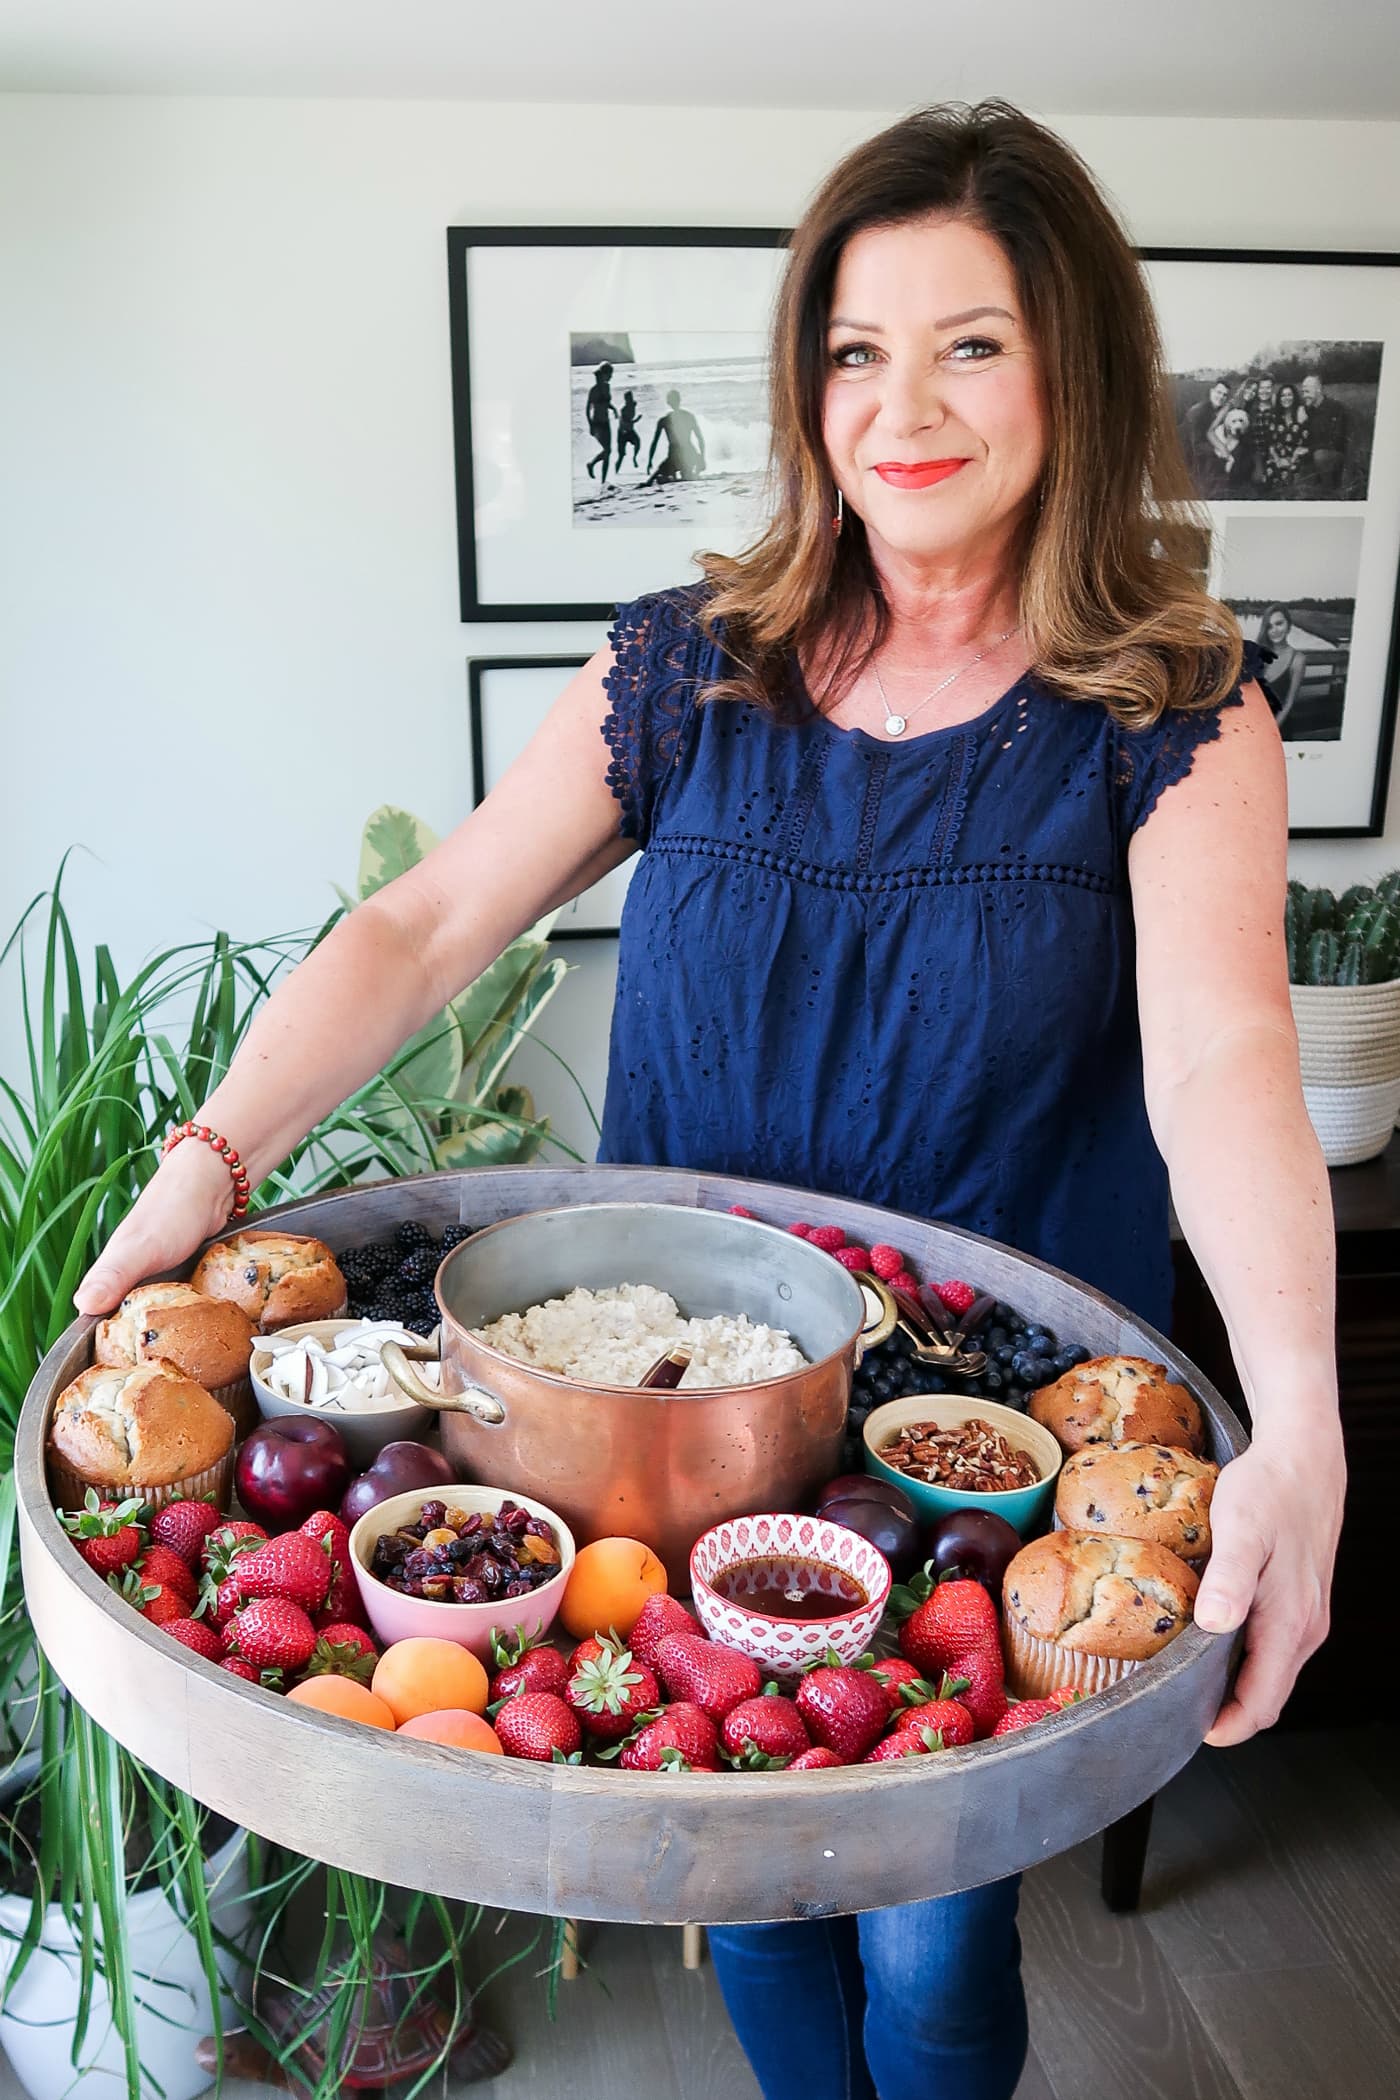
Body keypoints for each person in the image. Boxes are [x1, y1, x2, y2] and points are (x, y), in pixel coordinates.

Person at [76, 101, 1343, 2100]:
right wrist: (206, 1163)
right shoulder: (691, 670)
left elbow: (1221, 1056)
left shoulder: (1174, 705)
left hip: (969, 1440)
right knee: (748, 1884)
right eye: (854, 350)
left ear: (1071, 371)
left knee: (928, 1934)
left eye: (972, 342)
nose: (900, 404)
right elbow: (421, 929)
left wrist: (1306, 1419)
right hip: (670, 1415)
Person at [1253, 605, 1306, 729]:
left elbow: (1288, 703)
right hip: (1253, 722)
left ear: (1289, 625)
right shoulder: (1258, 653)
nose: (1274, 630)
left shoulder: (1298, 660)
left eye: (1279, 623)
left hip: (1279, 726)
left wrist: (1272, 732)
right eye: (1269, 626)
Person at [1298, 372, 1351, 494]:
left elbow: (1335, 441)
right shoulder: (1307, 409)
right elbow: (1305, 438)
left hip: (1334, 455)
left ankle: (1330, 490)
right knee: (1300, 485)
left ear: (1318, 390)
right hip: (1314, 455)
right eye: (1303, 392)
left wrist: (1309, 450)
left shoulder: (1335, 408)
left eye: (1307, 392)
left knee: (1320, 456)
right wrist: (1302, 423)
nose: (1304, 396)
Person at [645, 385, 706, 482]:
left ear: (668, 403)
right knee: (681, 475)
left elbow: (654, 442)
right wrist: (702, 457)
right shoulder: (689, 416)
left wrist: (650, 461)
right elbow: (700, 438)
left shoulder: (664, 420)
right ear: (679, 400)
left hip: (676, 455)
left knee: (656, 478)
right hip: (688, 453)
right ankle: (683, 473)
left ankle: (680, 474)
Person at [1181, 376, 1228, 489]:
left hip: (1195, 445)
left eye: (1225, 395)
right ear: (1211, 391)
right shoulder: (1199, 411)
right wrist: (1217, 450)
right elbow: (1195, 443)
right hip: (1184, 449)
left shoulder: (1213, 409)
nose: (1221, 397)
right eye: (1219, 392)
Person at [584, 361, 616, 482]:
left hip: (606, 422)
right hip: (597, 423)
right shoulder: (594, 390)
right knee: (607, 450)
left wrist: (613, 409)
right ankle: (591, 464)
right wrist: (590, 425)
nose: (611, 376)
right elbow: (588, 409)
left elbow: (606, 403)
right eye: (610, 374)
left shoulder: (607, 387)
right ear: (604, 374)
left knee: (609, 451)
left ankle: (603, 481)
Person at [616, 388, 642, 469]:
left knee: (638, 442)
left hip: (630, 431)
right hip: (622, 432)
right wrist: (636, 420)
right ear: (625, 400)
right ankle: (614, 472)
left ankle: (634, 458)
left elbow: (634, 404)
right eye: (628, 399)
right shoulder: (623, 410)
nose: (630, 400)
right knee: (621, 456)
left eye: (631, 398)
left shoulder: (633, 405)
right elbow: (626, 421)